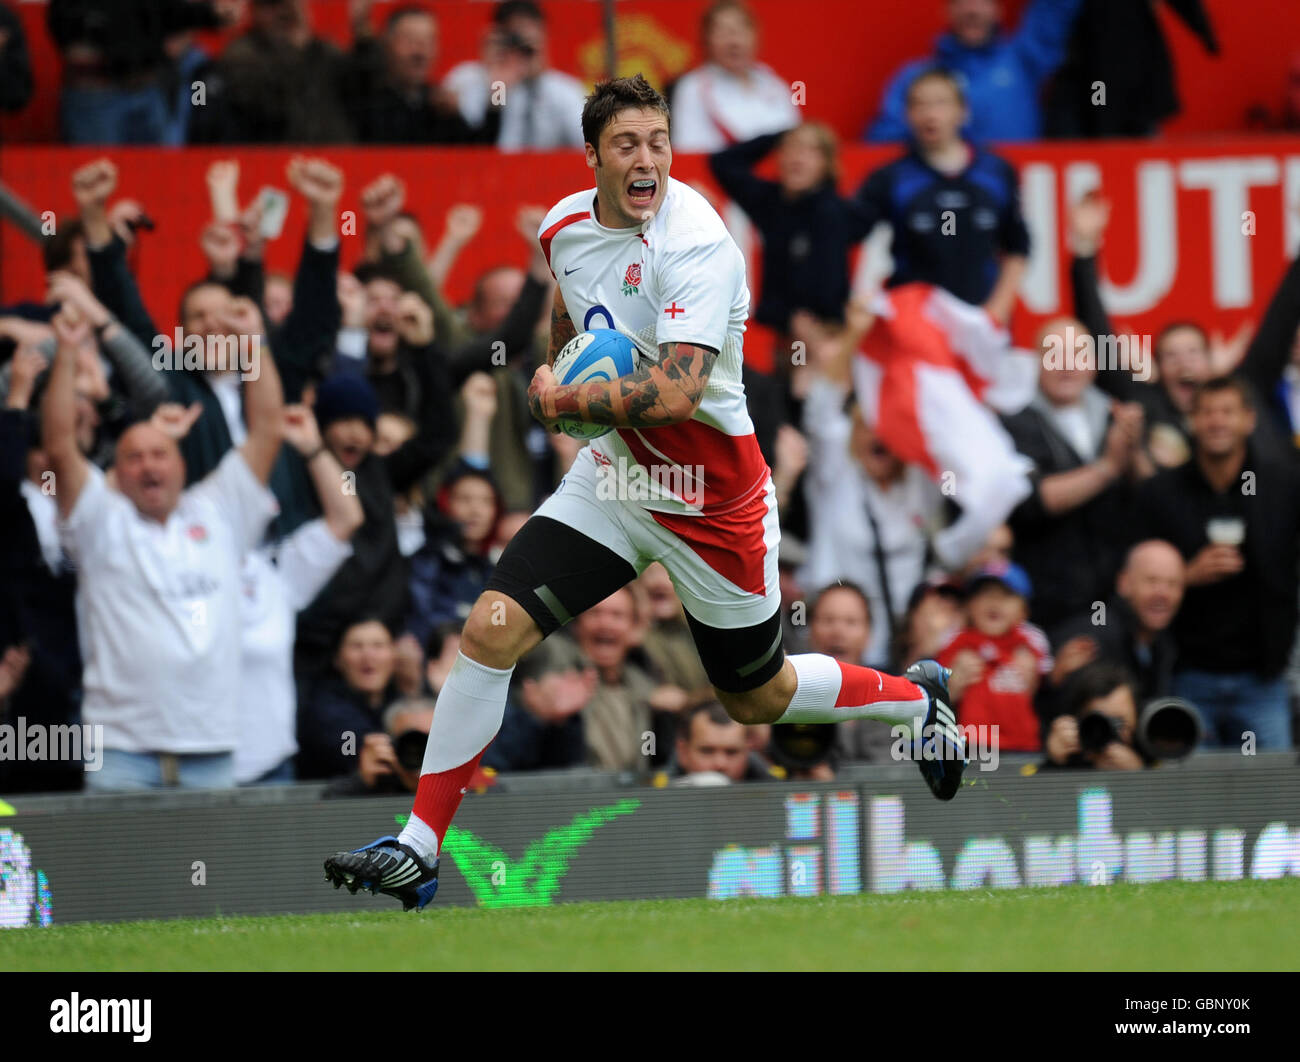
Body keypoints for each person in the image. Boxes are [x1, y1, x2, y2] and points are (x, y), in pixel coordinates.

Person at [325, 74, 965, 911]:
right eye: (627, 144)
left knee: (754, 696)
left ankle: (917, 701)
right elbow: (569, 303)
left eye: (658, 143)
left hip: (712, 497)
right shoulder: (563, 227)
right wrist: (558, 358)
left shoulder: (698, 243)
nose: (646, 160)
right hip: (619, 478)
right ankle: (419, 846)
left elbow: (675, 392)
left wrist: (559, 399)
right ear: (592, 155)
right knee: (489, 629)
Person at [44, 296, 284, 791]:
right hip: (119, 751)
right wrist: (66, 353)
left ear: (182, 464)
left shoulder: (220, 509)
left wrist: (255, 342)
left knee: (216, 872)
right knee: (118, 872)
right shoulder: (99, 518)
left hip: (213, 749)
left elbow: (266, 430)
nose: (149, 465)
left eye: (160, 454)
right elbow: (60, 445)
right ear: (116, 471)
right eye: (133, 457)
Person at [1133, 377, 1300, 750]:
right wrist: (1186, 577)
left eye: (1227, 411)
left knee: (1274, 801)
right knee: (1191, 801)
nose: (1217, 422)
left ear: (1249, 419)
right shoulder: (1160, 493)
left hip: (1264, 679)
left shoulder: (1284, 486)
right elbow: (1129, 581)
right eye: (1206, 412)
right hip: (1186, 676)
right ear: (1191, 421)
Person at [855, 69, 1030, 321]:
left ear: (963, 111)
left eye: (940, 103)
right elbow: (845, 232)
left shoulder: (997, 173)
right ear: (907, 114)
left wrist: (997, 310)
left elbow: (1018, 245)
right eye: (920, 104)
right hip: (916, 325)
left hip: (981, 317)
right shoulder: (890, 178)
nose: (930, 115)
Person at [866, 0, 1083, 144]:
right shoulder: (917, 78)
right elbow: (881, 143)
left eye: (982, 1)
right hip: (940, 196)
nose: (972, 10)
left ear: (998, 9)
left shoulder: (1022, 59)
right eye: (962, 2)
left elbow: (1053, 11)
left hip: (1016, 187)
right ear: (946, 11)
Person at [1043, 539, 1184, 717]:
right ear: (1124, 583)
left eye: (1173, 584)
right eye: (1152, 581)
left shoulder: (1163, 643)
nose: (1163, 594)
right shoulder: (1095, 635)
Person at [936, 562, 1052, 753]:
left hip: (1024, 746)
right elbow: (931, 696)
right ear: (969, 607)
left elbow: (1048, 692)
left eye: (1006, 595)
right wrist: (951, 684)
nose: (994, 602)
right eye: (984, 594)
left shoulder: (1030, 644)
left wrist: (1034, 675)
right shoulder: (958, 643)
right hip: (974, 746)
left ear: (1024, 611)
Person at [441, 1, 585, 151]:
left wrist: (535, 76)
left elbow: (586, 142)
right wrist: (499, 86)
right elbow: (476, 146)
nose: (523, 52)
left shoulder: (564, 90)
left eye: (531, 47)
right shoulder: (470, 79)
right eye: (517, 42)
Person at [669, 0, 799, 152]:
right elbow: (690, 154)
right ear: (706, 40)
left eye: (741, 30)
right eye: (722, 32)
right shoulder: (692, 88)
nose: (734, 42)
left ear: (756, 35)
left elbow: (795, 143)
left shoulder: (775, 85)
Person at [1042, 661, 1145, 770]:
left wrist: (1138, 775)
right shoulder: (1070, 756)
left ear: (1136, 719)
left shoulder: (1150, 752)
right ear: (1079, 722)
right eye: (1100, 722)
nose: (1110, 731)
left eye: (1119, 722)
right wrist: (1054, 762)